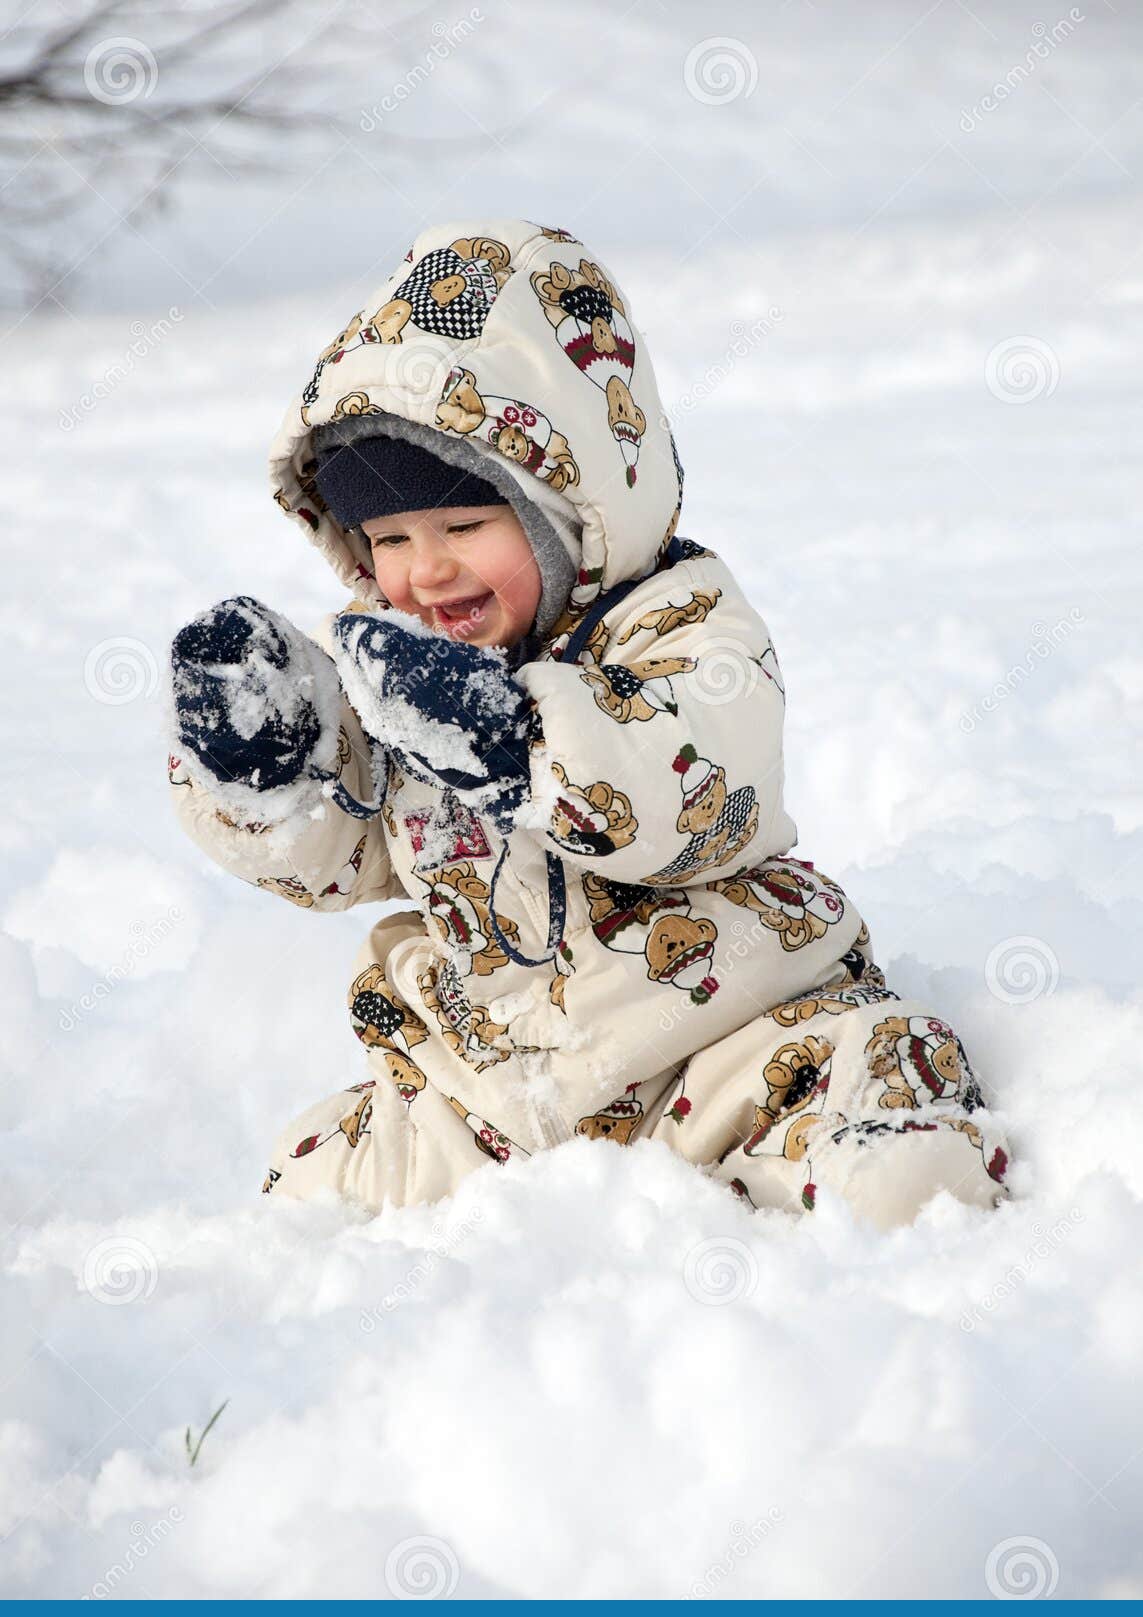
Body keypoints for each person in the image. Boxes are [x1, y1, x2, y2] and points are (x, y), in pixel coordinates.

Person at [166, 217, 1010, 1230]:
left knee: (885, 1144)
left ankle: (886, 1149)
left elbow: (691, 781)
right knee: (301, 1192)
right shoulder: (389, 666)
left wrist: (513, 738)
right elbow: (344, 853)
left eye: (464, 527)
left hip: (722, 1035)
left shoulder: (682, 624)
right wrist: (267, 767)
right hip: (495, 1091)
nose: (424, 569)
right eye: (388, 538)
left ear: (566, 508)